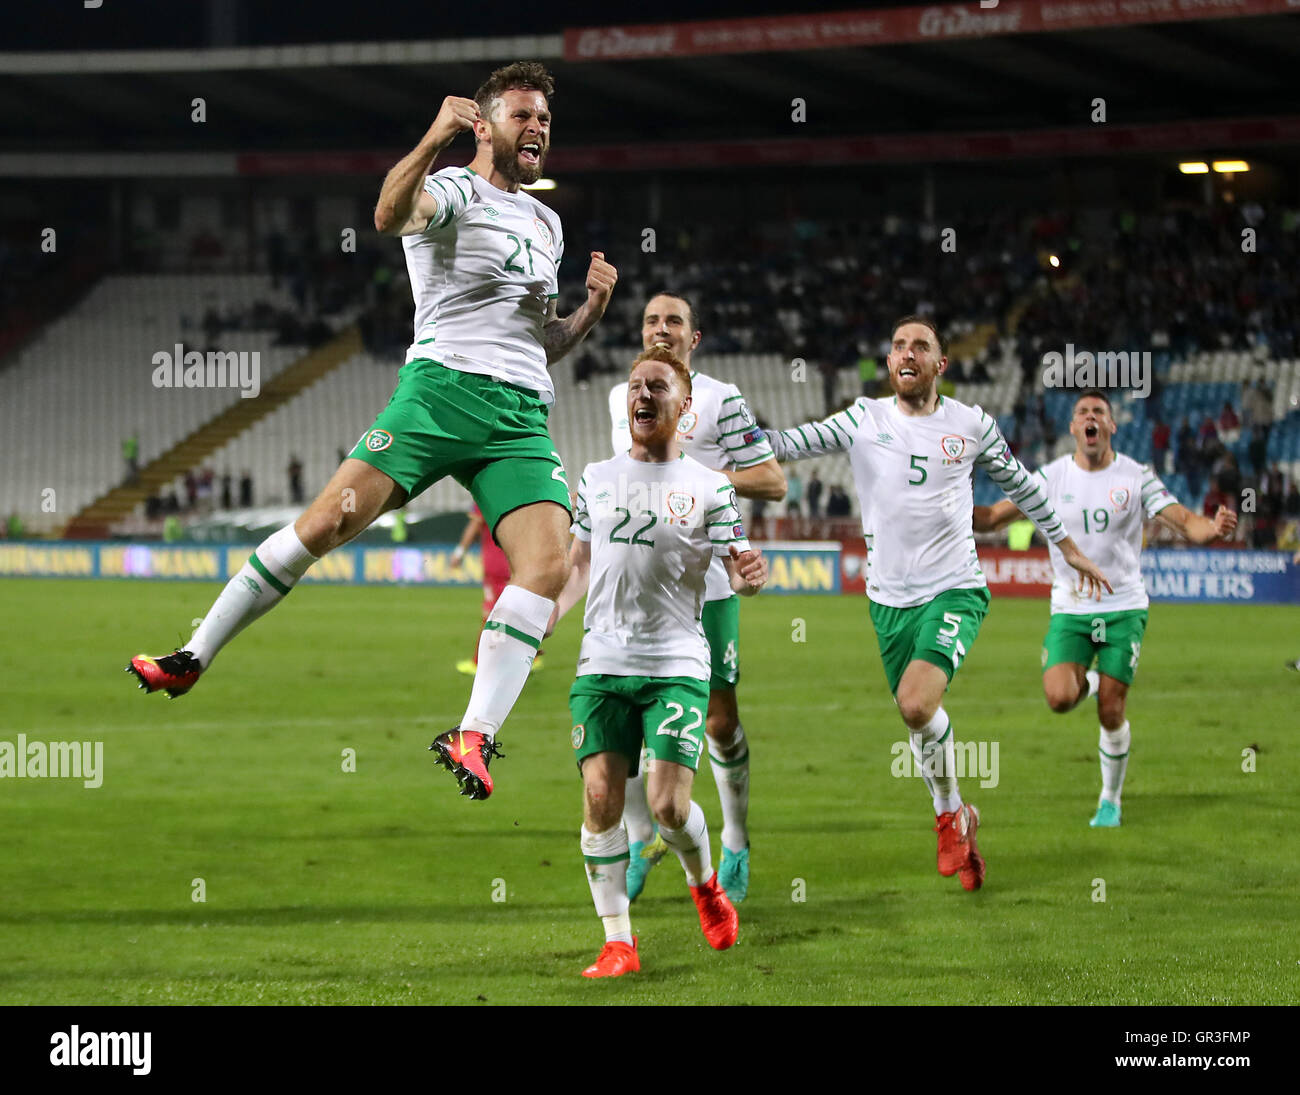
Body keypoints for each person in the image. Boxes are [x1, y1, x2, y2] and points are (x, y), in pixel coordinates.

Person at [127, 62, 618, 803]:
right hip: (439, 395)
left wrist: (589, 314)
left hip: (519, 413)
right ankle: (194, 653)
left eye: (545, 118)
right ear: (484, 126)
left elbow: (537, 338)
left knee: (546, 570)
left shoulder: (547, 223)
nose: (539, 129)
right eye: (523, 116)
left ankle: (474, 734)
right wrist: (432, 135)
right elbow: (387, 217)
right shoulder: (453, 187)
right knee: (330, 520)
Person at [766, 316, 1111, 891]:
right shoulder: (863, 418)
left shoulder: (970, 424)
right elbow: (788, 444)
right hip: (887, 600)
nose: (906, 353)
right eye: (897, 344)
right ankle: (957, 815)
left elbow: (1024, 485)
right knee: (918, 719)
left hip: (954, 588)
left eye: (919, 346)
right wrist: (724, 436)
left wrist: (1067, 546)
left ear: (939, 365)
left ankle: (949, 817)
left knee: (914, 702)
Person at [551, 347, 768, 978]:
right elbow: (579, 565)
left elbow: (739, 568)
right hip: (602, 663)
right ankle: (618, 940)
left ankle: (704, 884)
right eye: (635, 385)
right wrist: (540, 621)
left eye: (658, 386)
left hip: (675, 662)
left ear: (685, 406)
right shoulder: (595, 477)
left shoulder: (711, 487)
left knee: (669, 808)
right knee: (599, 799)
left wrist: (751, 577)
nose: (643, 394)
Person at [974, 389, 1235, 827]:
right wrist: (938, 508)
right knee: (1059, 698)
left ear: (1111, 426)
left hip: (1123, 607)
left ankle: (1110, 800)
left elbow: (1186, 521)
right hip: (1072, 609)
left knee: (1111, 711)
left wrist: (1212, 528)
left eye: (1099, 412)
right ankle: (1094, 680)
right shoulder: (1050, 478)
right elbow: (993, 518)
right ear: (1073, 428)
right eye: (1082, 412)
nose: (1090, 417)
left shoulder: (1136, 476)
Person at [605, 292, 785, 902]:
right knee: (624, 720)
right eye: (652, 320)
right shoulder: (622, 394)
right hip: (635, 590)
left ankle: (734, 837)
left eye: (673, 321)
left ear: (694, 336)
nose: (661, 329)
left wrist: (699, 482)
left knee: (719, 717)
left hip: (707, 587)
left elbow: (772, 480)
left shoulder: (721, 399)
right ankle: (636, 844)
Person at [450, 502, 544, 675]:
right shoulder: (520, 495)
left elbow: (474, 525)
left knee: (493, 614)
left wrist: (458, 553)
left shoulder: (485, 495)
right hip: (519, 562)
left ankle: (481, 662)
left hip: (496, 565)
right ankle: (526, 656)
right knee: (514, 610)